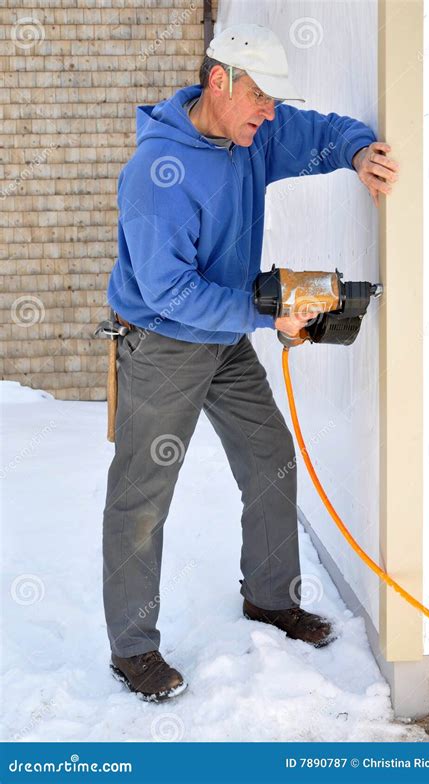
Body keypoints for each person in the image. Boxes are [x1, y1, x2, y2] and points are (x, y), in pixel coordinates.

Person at [102, 23, 399, 702]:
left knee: (270, 457)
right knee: (141, 502)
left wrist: (356, 153)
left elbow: (315, 130)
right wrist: (266, 315)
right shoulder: (157, 175)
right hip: (163, 344)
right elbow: (167, 291)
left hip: (226, 337)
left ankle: (271, 601)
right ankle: (133, 651)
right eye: (259, 98)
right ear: (219, 80)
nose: (268, 114)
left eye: (271, 103)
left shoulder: (253, 131)